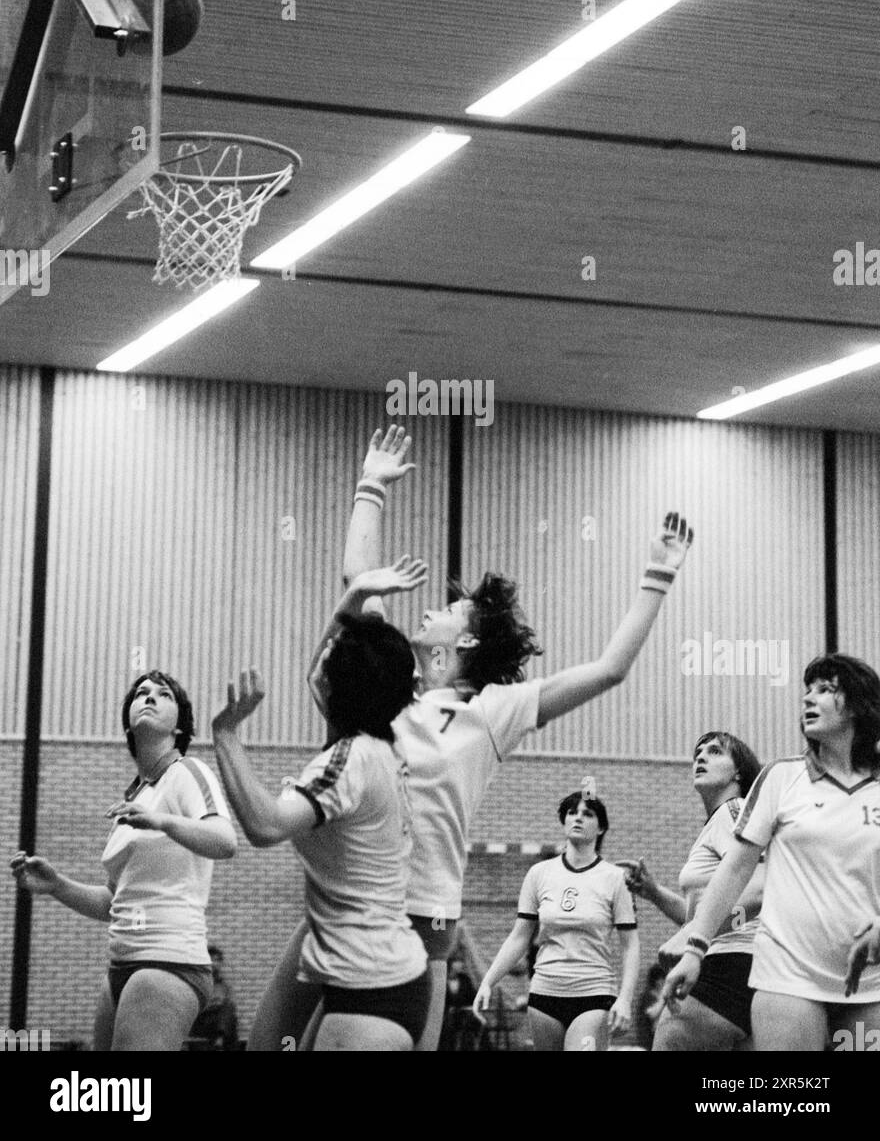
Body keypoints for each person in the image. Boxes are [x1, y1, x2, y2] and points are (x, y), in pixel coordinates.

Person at [250, 426, 694, 1051]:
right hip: (350, 905)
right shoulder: (387, 682)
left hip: (422, 919)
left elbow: (607, 669)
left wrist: (657, 576)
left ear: (465, 643)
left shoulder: (493, 712)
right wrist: (370, 485)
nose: (431, 609)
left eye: (450, 610)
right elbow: (361, 579)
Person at [212, 559, 431, 1051]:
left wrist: (225, 735)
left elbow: (265, 826)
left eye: (334, 662)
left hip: (371, 993)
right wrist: (353, 598)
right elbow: (321, 667)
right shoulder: (374, 745)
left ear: (342, 685)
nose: (322, 664)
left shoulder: (348, 762)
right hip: (376, 984)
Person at [662, 654, 880, 1050]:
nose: (809, 699)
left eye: (826, 690)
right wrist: (695, 947)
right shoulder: (781, 777)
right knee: (792, 1098)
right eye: (807, 691)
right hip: (787, 979)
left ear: (860, 706)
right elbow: (734, 871)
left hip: (869, 983)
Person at [11, 670, 236, 1051]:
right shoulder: (136, 797)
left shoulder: (187, 773)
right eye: (141, 694)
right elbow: (114, 902)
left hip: (168, 961)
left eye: (163, 695)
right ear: (128, 723)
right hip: (120, 965)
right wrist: (57, 886)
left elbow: (224, 841)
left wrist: (161, 820)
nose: (149, 698)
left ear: (180, 726)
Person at [620, 729, 763, 1051]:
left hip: (730, 965)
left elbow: (760, 887)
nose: (700, 757)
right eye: (698, 753)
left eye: (714, 752)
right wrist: (655, 893)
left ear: (738, 770)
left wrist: (694, 938)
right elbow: (706, 914)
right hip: (735, 967)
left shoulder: (733, 811)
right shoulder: (718, 823)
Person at [472, 792, 639, 1051]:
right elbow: (519, 936)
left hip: (594, 993)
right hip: (545, 994)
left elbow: (630, 946)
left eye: (587, 814)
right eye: (572, 812)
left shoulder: (615, 878)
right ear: (563, 821)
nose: (578, 818)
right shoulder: (539, 874)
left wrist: (625, 999)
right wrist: (488, 982)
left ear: (601, 827)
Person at [190, 944, 239, 1050]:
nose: (214, 964)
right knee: (226, 1012)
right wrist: (213, 1004)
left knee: (229, 1010)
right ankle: (220, 1039)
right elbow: (194, 1007)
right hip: (203, 1022)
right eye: (211, 960)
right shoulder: (199, 982)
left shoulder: (224, 986)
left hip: (218, 1022)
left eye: (217, 960)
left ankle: (220, 1038)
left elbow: (230, 1006)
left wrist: (218, 1004)